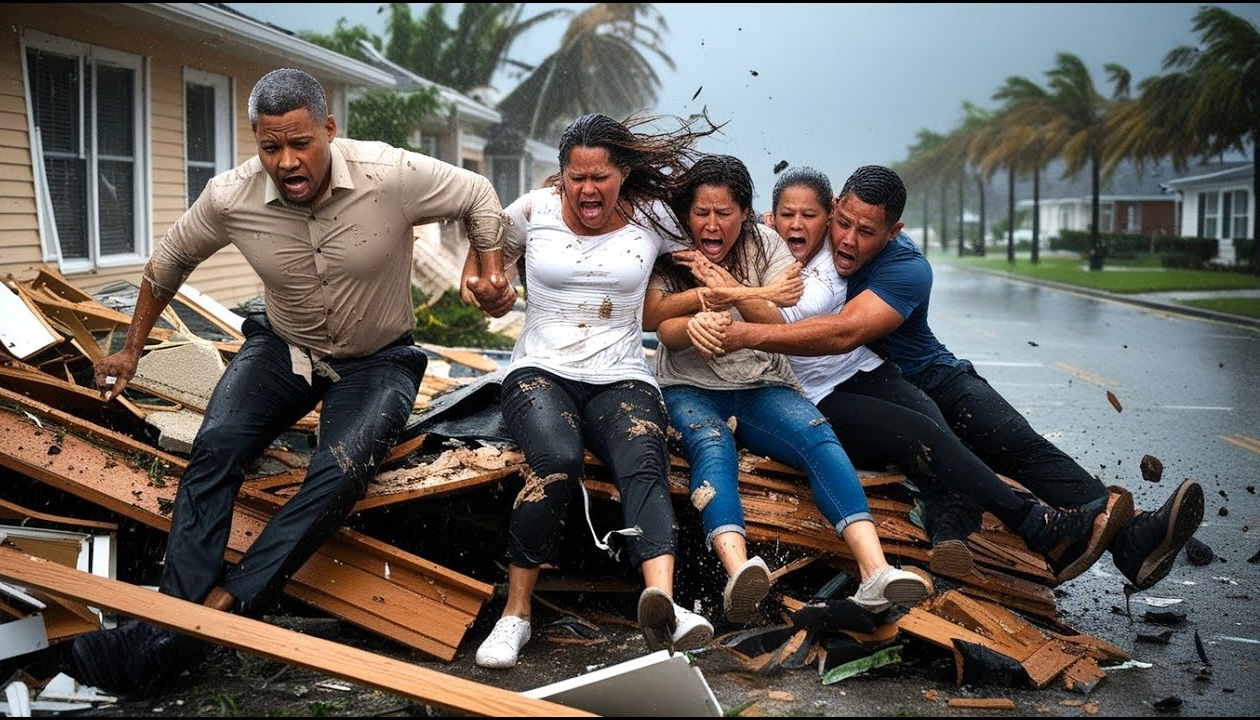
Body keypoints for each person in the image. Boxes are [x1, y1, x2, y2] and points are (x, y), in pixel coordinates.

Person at [67, 68, 514, 697]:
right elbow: (167, 261)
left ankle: (216, 615)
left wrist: (489, 270)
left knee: (336, 475)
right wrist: (130, 350)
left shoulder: (390, 173)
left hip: (378, 359)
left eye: (301, 142)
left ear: (329, 129)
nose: (287, 161)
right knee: (217, 446)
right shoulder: (231, 196)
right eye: (271, 146)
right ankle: (173, 621)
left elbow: (479, 195)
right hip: (284, 348)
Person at [696, 164, 1204, 591]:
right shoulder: (789, 246)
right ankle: (1084, 535)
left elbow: (841, 334)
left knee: (1013, 444)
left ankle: (1101, 535)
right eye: (841, 223)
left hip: (926, 373)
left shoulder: (905, 268)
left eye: (864, 230)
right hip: (861, 382)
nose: (847, 237)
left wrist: (741, 318)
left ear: (892, 232)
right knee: (934, 443)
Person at [463, 113, 716, 670]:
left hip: (623, 373)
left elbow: (717, 234)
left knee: (644, 458)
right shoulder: (534, 210)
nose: (587, 189)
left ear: (622, 173)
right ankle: (517, 616)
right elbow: (483, 258)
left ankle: (665, 608)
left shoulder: (653, 219)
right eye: (576, 176)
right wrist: (484, 288)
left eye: (599, 176)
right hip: (539, 372)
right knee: (556, 458)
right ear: (562, 175)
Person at [643, 154, 931, 624]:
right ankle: (740, 572)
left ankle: (875, 571)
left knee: (817, 434)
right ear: (687, 214)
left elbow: (778, 313)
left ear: (746, 214)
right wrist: (694, 321)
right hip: (689, 388)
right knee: (711, 447)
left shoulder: (768, 244)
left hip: (762, 382)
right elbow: (656, 320)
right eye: (701, 213)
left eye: (723, 214)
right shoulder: (671, 249)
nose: (711, 225)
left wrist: (733, 292)